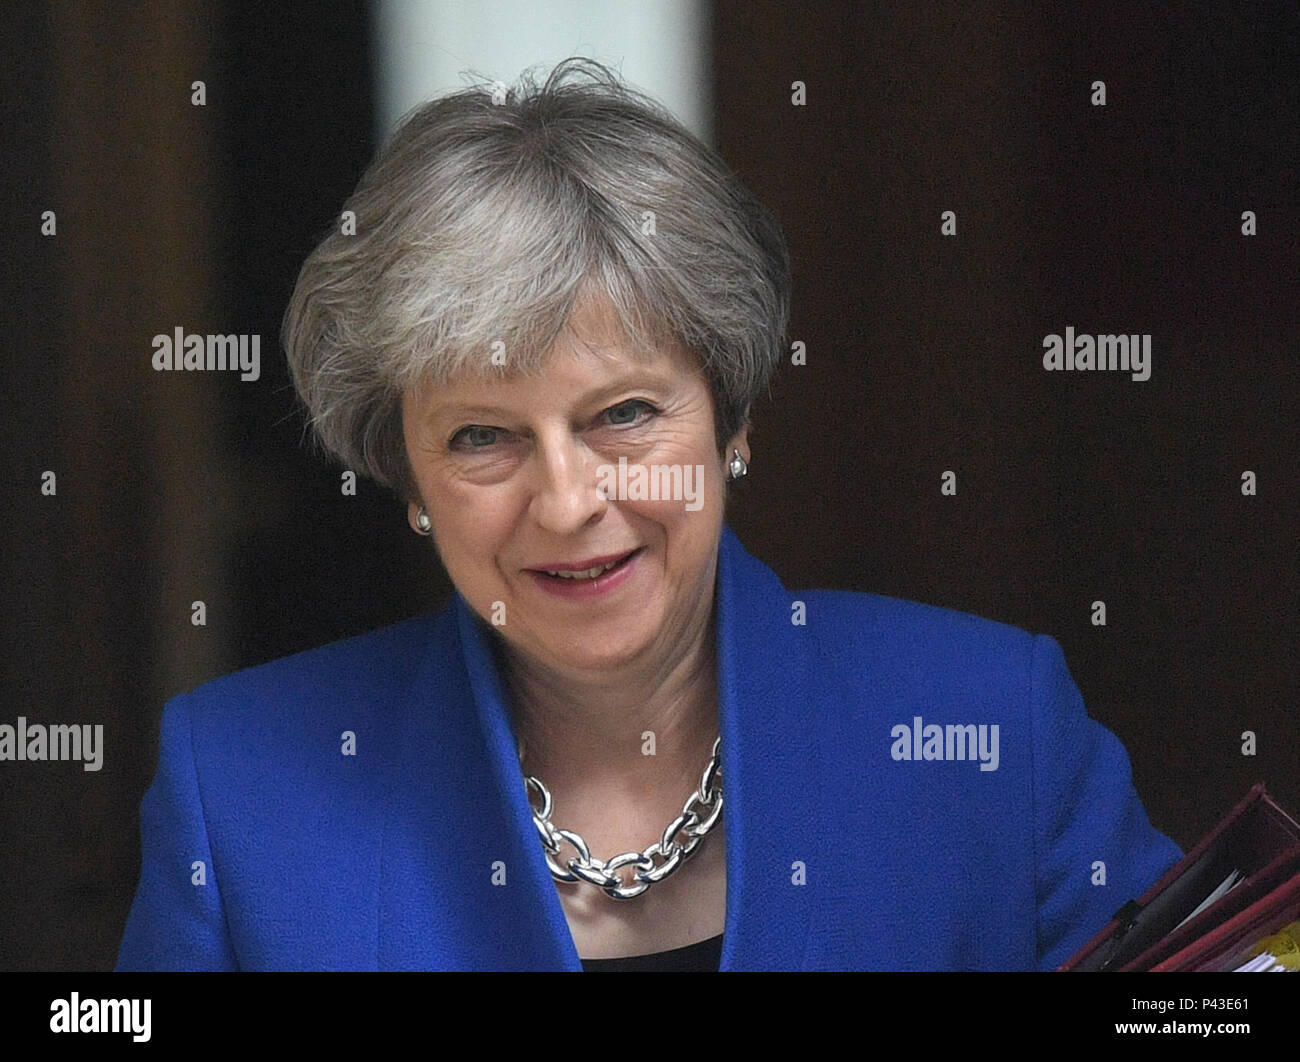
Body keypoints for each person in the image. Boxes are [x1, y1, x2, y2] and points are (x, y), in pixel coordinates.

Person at [115, 57, 1181, 972]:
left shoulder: (991, 729)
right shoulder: (244, 791)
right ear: (405, 479)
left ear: (734, 419)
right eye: (482, 437)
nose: (571, 502)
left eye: (622, 414)